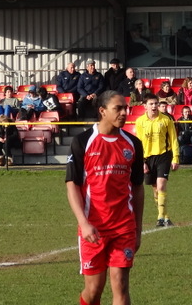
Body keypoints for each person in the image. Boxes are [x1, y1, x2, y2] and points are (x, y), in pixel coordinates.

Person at [65, 90, 144, 305]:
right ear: (102, 111)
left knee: (121, 285)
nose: (123, 113)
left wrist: (138, 229)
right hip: (94, 228)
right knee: (94, 290)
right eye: (117, 108)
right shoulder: (83, 142)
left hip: (123, 227)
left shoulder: (133, 144)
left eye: (125, 108)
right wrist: (83, 222)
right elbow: (72, 184)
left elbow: (138, 188)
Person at [134, 94, 179, 227]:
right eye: (151, 104)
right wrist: (141, 162)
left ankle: (160, 217)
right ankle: (165, 216)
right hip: (147, 158)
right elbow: (139, 142)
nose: (154, 106)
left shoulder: (166, 120)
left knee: (161, 185)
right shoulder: (140, 121)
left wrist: (175, 158)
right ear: (145, 106)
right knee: (155, 189)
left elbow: (174, 139)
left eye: (155, 104)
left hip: (163, 156)